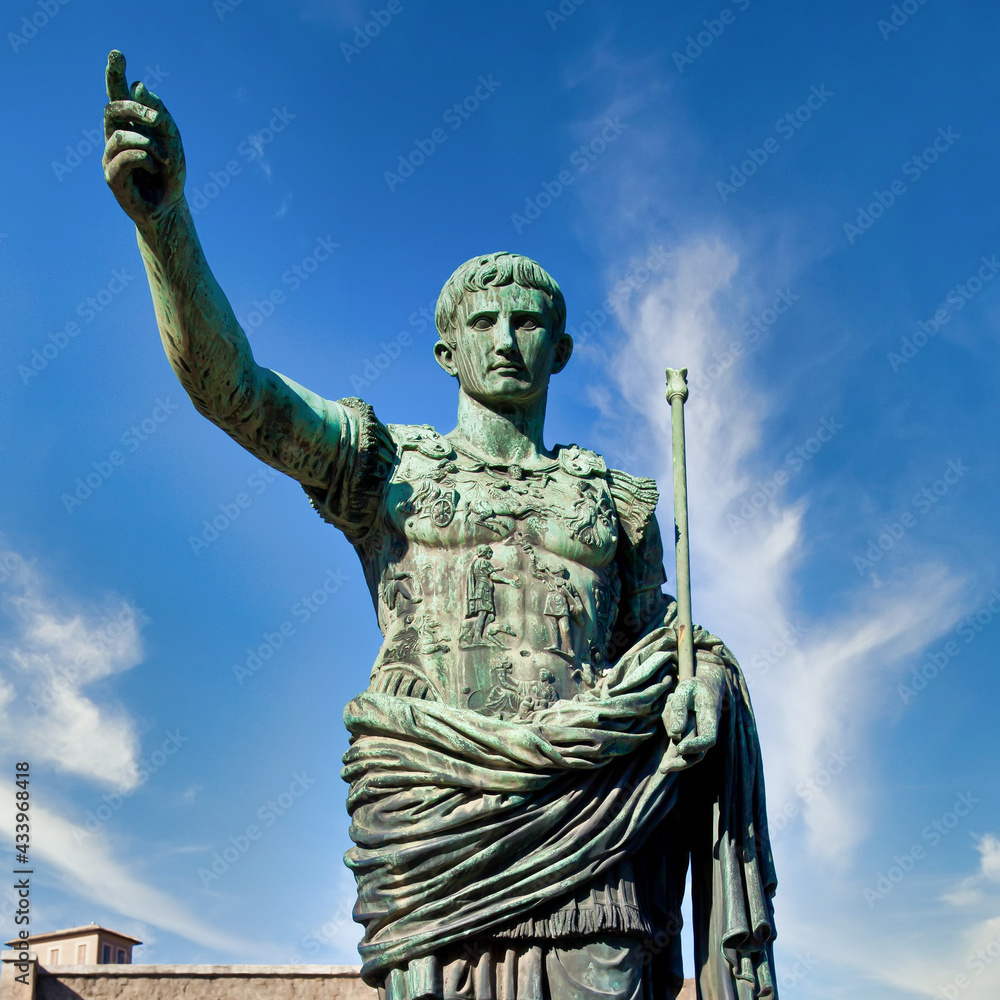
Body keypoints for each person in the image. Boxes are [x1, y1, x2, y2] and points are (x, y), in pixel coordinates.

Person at [103, 50, 779, 1000]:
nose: (507, 340)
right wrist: (165, 224)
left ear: (562, 350)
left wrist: (703, 683)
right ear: (445, 350)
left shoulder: (615, 503)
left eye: (529, 323)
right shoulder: (387, 468)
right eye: (485, 322)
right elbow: (235, 391)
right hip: (435, 839)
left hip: (590, 844)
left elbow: (661, 648)